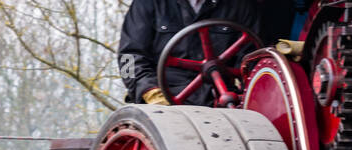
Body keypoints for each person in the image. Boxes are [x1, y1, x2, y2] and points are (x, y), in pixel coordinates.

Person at [118, 0, 283, 106]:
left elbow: (252, 61)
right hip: (164, 98)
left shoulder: (240, 7)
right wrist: (149, 92)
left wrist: (247, 97)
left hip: (221, 101)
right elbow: (128, 58)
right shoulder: (147, 4)